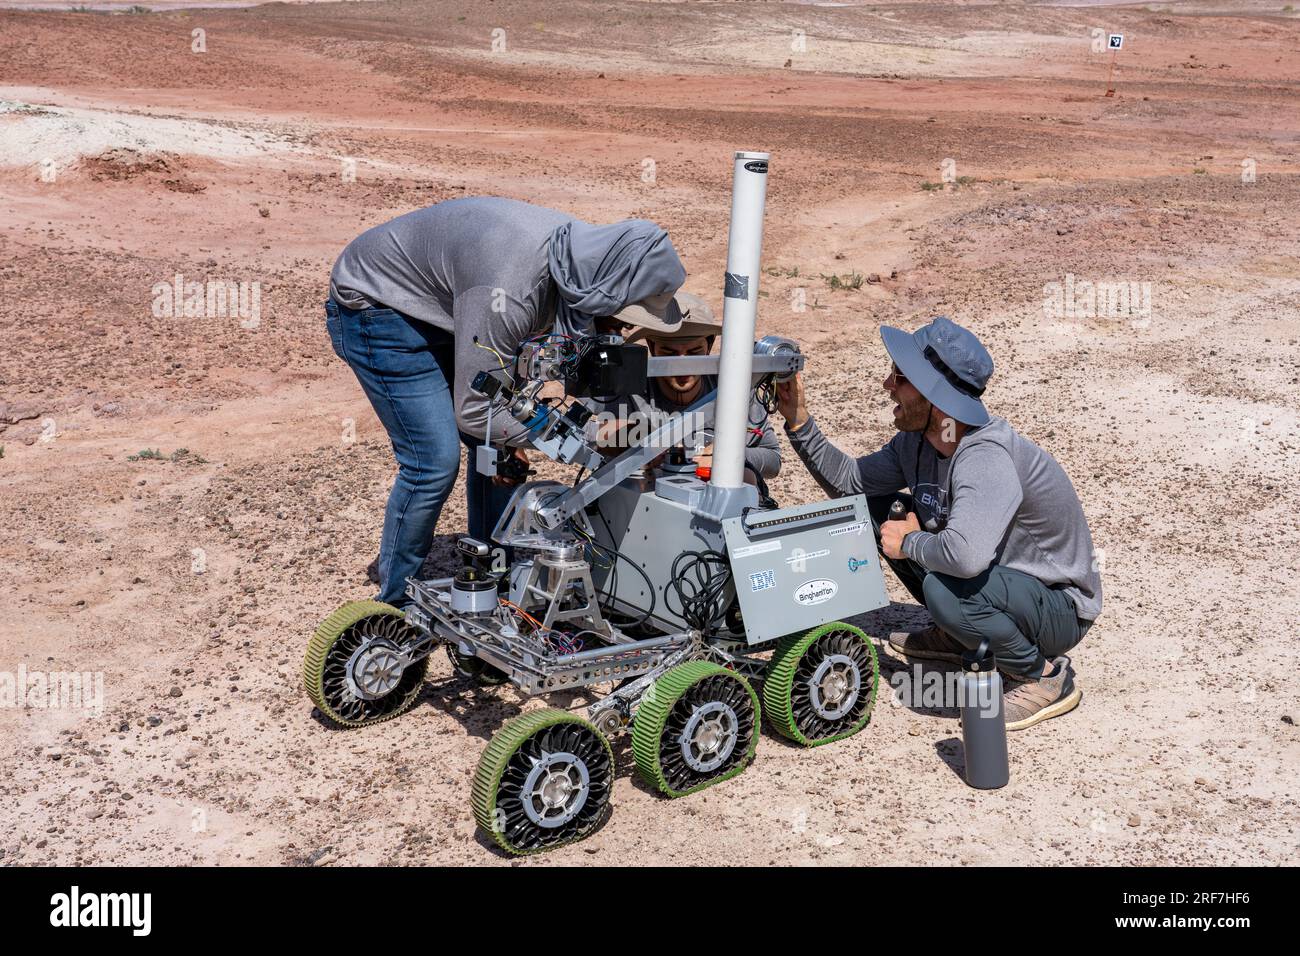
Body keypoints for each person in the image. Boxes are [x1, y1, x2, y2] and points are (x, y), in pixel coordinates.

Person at [326, 196, 686, 607]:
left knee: (495, 449)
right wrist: (586, 438)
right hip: (379, 307)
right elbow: (476, 408)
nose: (623, 330)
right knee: (434, 461)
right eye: (625, 316)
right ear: (608, 293)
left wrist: (511, 429)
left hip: (457, 307)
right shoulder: (512, 290)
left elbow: (502, 360)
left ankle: (488, 577)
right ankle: (396, 604)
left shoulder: (584, 262)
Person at [775, 316, 1102, 730]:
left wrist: (911, 542)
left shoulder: (985, 457)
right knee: (880, 507)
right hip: (1006, 588)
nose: (887, 385)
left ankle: (1040, 675)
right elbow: (851, 482)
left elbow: (965, 559)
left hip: (1058, 609)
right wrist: (800, 423)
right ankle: (961, 634)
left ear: (937, 397)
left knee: (945, 587)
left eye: (900, 377)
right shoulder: (917, 442)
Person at [617, 291, 781, 486]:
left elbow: (773, 460)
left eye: (694, 353)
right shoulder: (631, 391)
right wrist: (633, 444)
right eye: (669, 353)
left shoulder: (737, 389)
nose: (683, 365)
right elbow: (599, 440)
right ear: (652, 347)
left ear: (710, 345)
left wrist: (730, 456)